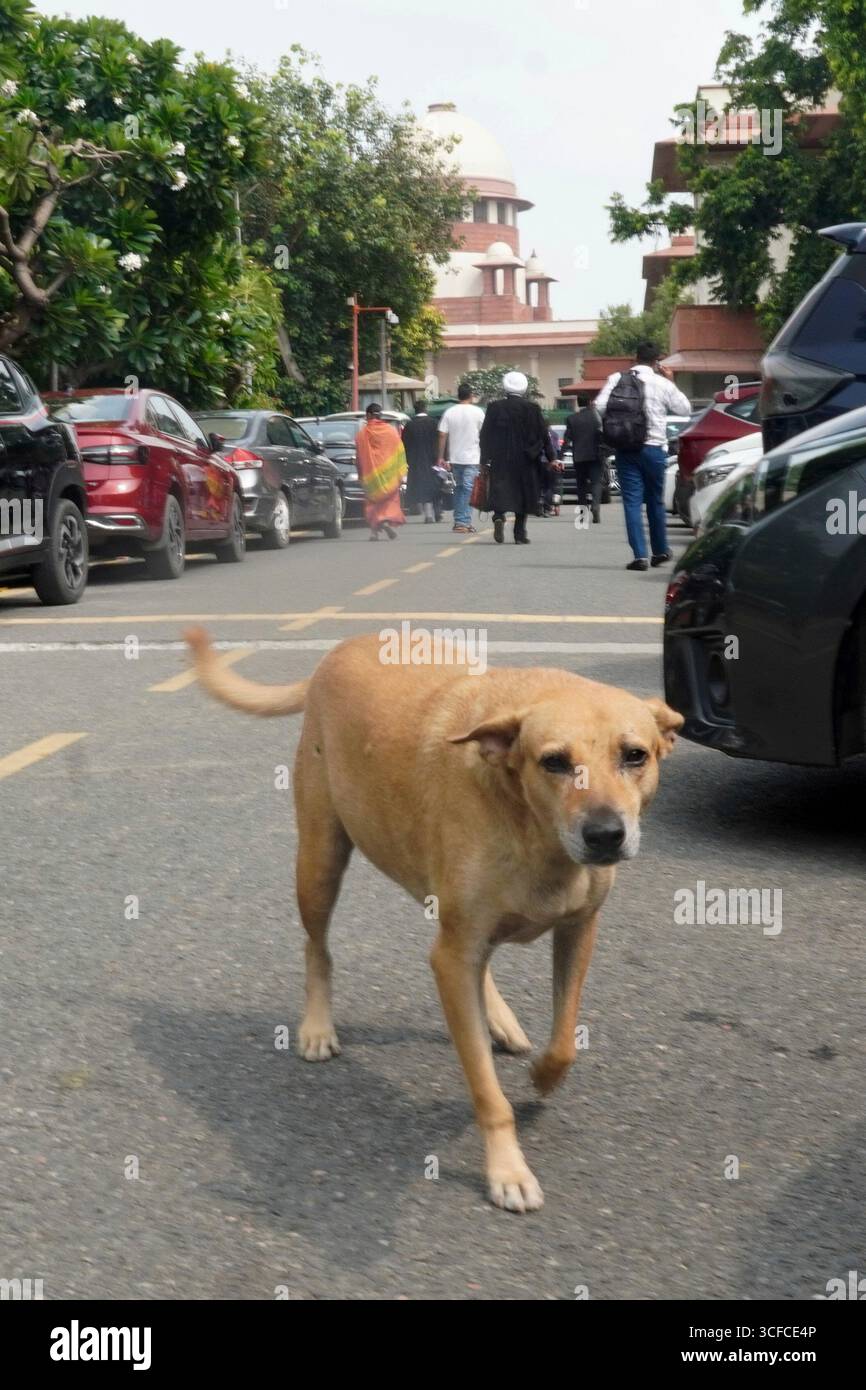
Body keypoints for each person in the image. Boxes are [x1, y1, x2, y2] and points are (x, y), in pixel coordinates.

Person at [595, 342, 691, 571]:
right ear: (657, 361)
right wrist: (670, 380)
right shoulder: (661, 383)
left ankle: (640, 556)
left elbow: (599, 406)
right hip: (654, 448)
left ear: (635, 358)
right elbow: (685, 409)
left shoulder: (617, 378)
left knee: (632, 502)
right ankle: (659, 551)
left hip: (626, 449)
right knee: (655, 501)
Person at [479, 371, 555, 544]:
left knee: (500, 489)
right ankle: (519, 534)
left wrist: (484, 460)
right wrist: (551, 457)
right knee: (524, 494)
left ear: (505, 387)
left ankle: (499, 516)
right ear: (524, 388)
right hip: (526, 460)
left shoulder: (494, 407)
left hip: (501, 458)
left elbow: (485, 435)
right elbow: (544, 435)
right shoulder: (532, 408)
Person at [437, 383, 485, 534]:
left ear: (458, 396)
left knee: (459, 488)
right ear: (471, 396)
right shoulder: (478, 412)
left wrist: (440, 456)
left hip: (455, 458)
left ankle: (460, 520)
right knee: (468, 489)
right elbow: (484, 435)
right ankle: (463, 521)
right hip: (473, 457)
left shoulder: (449, 412)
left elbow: (442, 434)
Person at [355, 402, 406, 540]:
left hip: (370, 476)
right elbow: (400, 452)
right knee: (387, 503)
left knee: (372, 502)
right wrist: (399, 473)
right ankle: (384, 521)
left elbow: (359, 457)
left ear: (369, 415)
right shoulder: (391, 431)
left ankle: (374, 532)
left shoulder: (362, 434)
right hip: (389, 476)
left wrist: (360, 474)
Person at [563, 396, 604, 524]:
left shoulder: (571, 419)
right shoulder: (597, 417)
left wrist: (560, 457)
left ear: (577, 403)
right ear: (590, 402)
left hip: (579, 456)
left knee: (581, 485)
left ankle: (583, 513)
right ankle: (596, 506)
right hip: (596, 455)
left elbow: (567, 439)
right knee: (596, 482)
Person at [403, 400, 442, 523]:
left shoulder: (409, 425)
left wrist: (408, 460)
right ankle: (437, 511)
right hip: (434, 460)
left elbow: (404, 444)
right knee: (436, 485)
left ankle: (428, 514)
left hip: (416, 462)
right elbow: (440, 442)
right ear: (426, 409)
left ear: (415, 410)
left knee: (422, 487)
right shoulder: (434, 423)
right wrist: (441, 457)